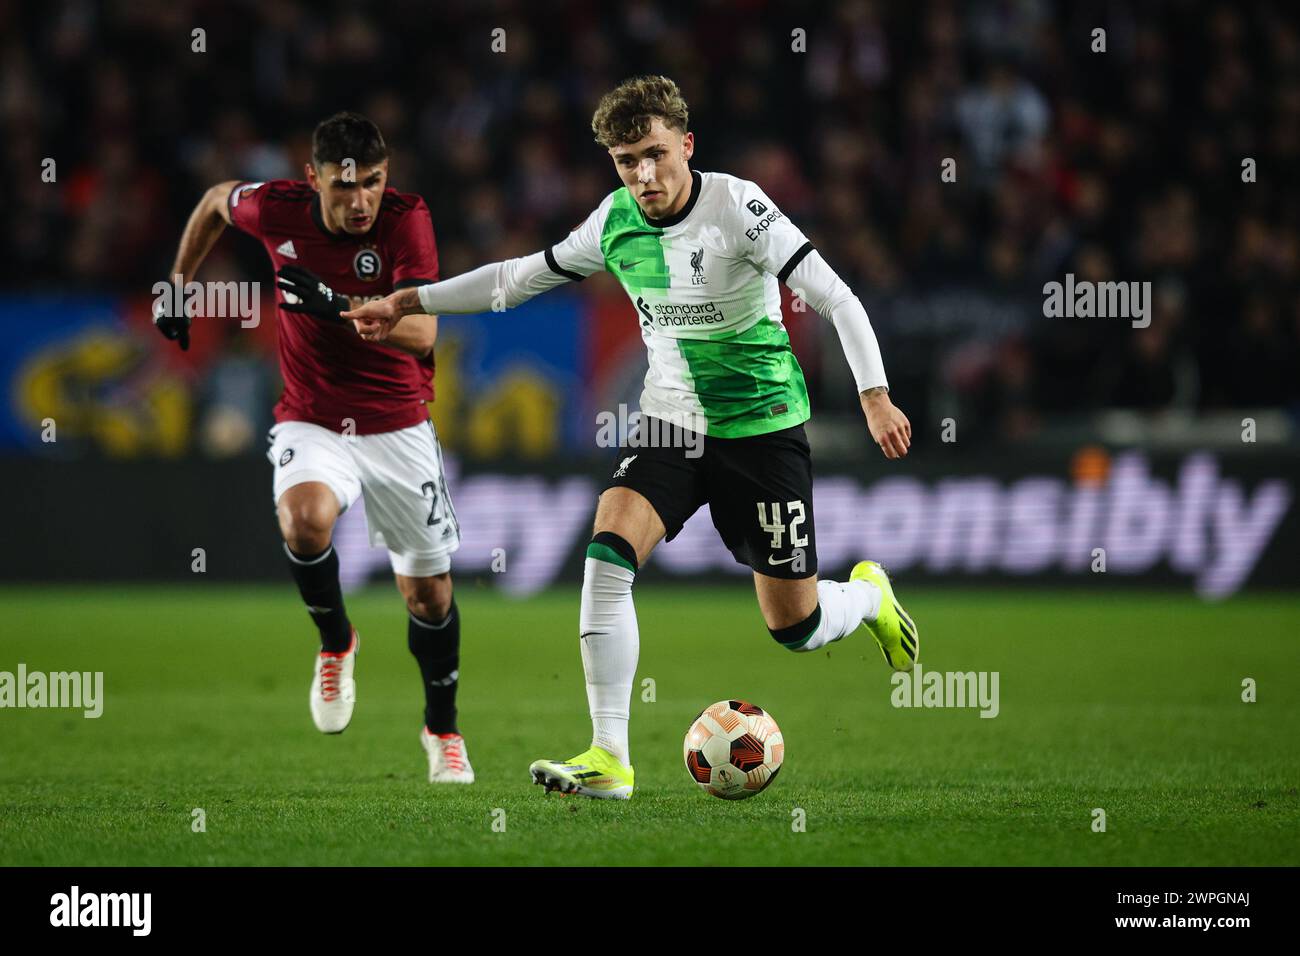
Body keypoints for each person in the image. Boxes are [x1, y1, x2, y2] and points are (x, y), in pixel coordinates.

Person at [343, 77, 916, 800]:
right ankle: (610, 758)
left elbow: (836, 296)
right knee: (607, 552)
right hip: (671, 423)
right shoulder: (613, 221)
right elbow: (517, 280)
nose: (642, 175)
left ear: (687, 144)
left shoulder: (739, 208)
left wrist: (874, 395)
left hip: (763, 430)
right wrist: (410, 299)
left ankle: (867, 598)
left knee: (793, 625)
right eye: (625, 161)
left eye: (653, 154)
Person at [155, 111, 473, 783]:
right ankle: (337, 643)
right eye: (344, 187)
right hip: (313, 419)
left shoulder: (405, 220)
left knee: (429, 599)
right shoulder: (276, 208)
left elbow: (422, 337)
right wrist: (178, 282)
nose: (360, 203)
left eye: (373, 184)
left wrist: (335, 302)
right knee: (304, 520)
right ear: (313, 180)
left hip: (397, 426)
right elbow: (216, 200)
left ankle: (442, 729)